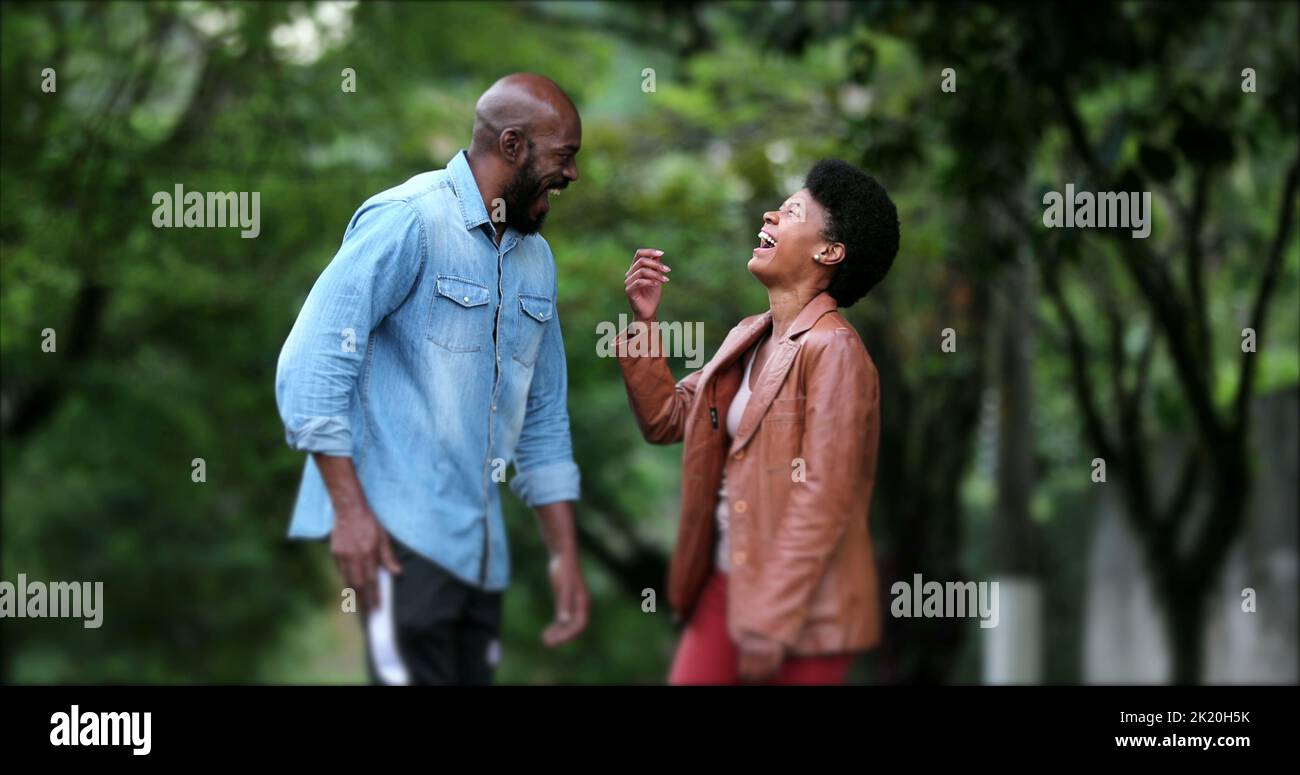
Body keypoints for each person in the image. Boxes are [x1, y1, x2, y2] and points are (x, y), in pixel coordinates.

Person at [275, 73, 589, 685]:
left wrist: (563, 556)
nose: (572, 175)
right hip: (400, 544)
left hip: (480, 554)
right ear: (513, 145)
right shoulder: (409, 222)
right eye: (565, 156)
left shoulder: (535, 261)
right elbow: (312, 363)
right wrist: (351, 513)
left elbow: (544, 418)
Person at [617, 159, 899, 684]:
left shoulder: (835, 349)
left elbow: (825, 494)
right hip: (725, 585)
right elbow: (666, 418)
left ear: (829, 252)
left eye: (791, 212)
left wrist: (774, 620)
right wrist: (644, 324)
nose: (770, 214)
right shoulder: (748, 337)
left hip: (804, 608)